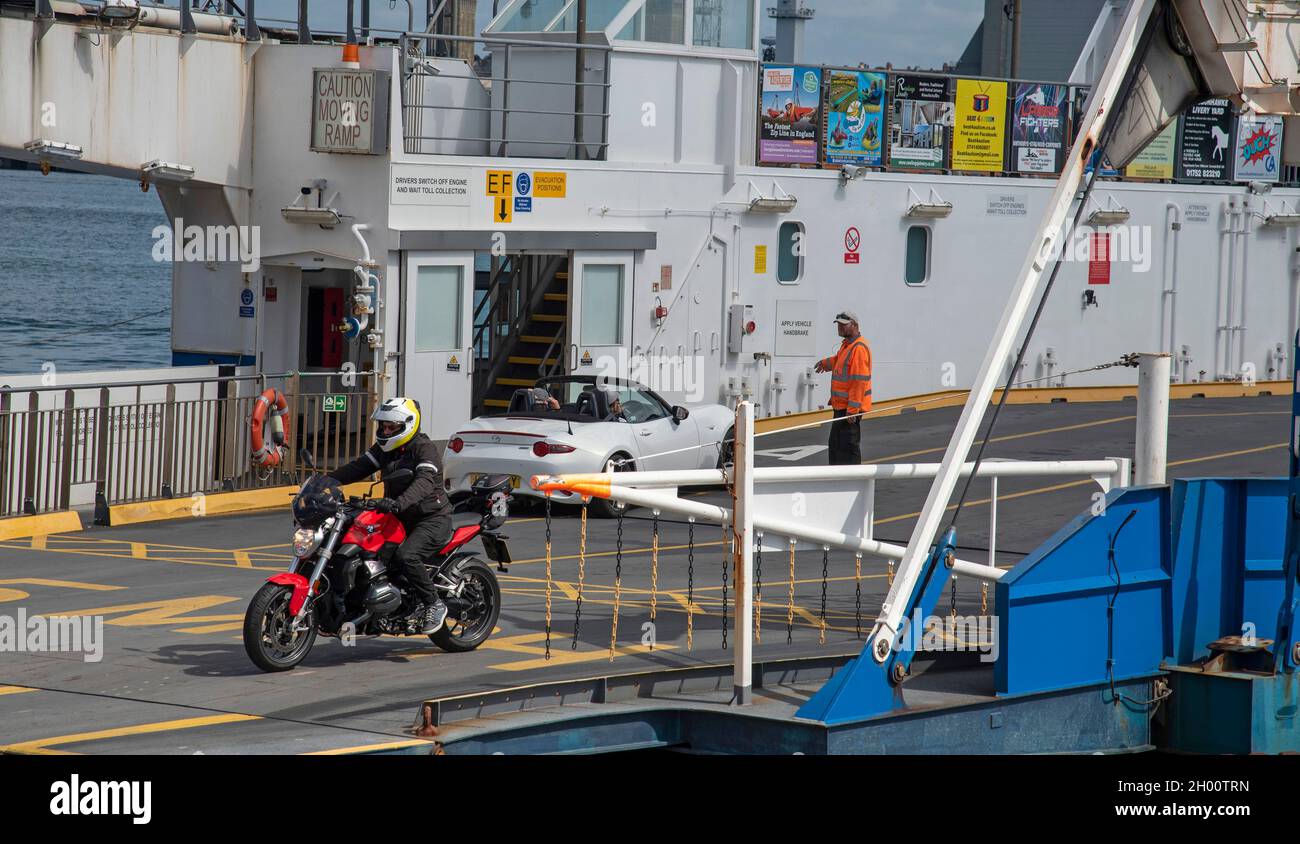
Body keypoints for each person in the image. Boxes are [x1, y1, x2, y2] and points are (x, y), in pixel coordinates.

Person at [327, 397, 452, 634]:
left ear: (408, 425)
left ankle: (433, 603)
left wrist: (398, 503)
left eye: (391, 427)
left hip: (430, 519)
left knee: (406, 556)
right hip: (397, 517)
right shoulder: (385, 449)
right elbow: (359, 467)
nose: (385, 431)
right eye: (383, 426)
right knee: (362, 548)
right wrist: (325, 480)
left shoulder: (424, 449)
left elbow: (424, 481)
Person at [814, 310, 872, 465]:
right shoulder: (848, 346)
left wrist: (852, 410)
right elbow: (840, 361)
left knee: (847, 448)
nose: (839, 327)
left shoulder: (858, 348)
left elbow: (858, 381)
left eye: (843, 325)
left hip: (849, 411)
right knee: (836, 447)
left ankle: (852, 483)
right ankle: (838, 480)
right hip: (841, 407)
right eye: (838, 324)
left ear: (854, 325)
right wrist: (826, 363)